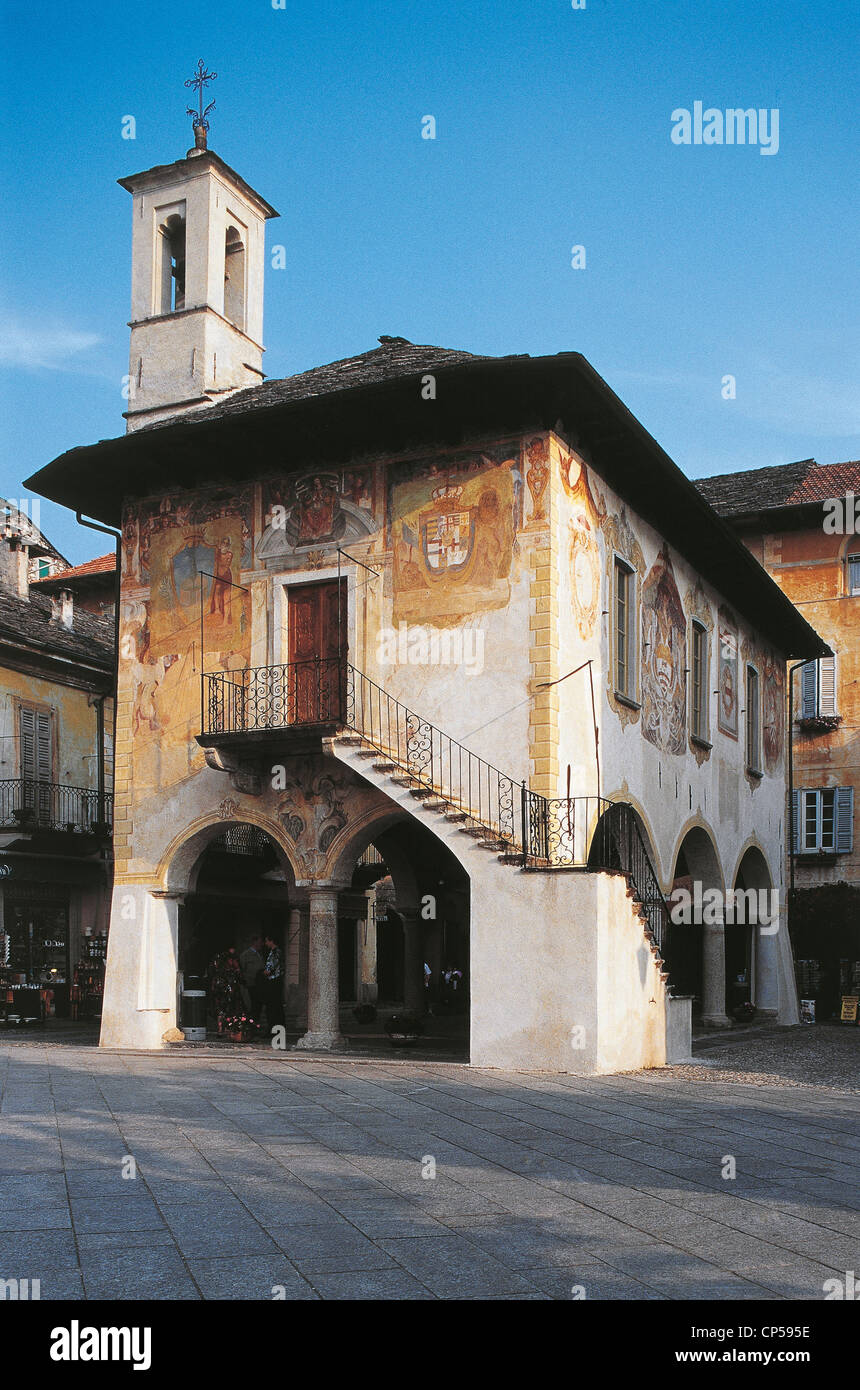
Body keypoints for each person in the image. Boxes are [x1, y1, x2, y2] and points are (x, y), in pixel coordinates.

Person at [239, 935, 265, 1027]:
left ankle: (255, 1023)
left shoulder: (259, 954)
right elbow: (242, 969)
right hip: (250, 984)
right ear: (255, 942)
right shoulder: (246, 955)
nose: (262, 944)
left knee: (258, 1005)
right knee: (251, 1005)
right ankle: (250, 1025)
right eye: (260, 942)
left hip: (259, 984)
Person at [263, 934, 284, 1033]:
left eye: (267, 941)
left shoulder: (275, 952)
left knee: (273, 1006)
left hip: (274, 981)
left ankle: (274, 1028)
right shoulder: (274, 952)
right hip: (275, 981)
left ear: (271, 941)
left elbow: (270, 969)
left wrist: (264, 972)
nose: (266, 943)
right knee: (274, 1005)